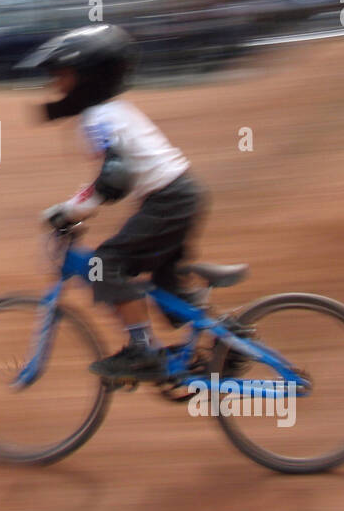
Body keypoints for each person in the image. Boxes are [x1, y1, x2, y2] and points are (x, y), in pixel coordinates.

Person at [17, 24, 207, 377]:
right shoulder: (112, 112)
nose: (55, 84)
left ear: (87, 77)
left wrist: (70, 210)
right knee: (165, 288)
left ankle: (141, 350)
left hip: (169, 201)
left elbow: (113, 180)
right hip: (179, 196)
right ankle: (224, 338)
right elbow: (112, 179)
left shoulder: (98, 118)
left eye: (62, 75)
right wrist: (77, 207)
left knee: (103, 265)